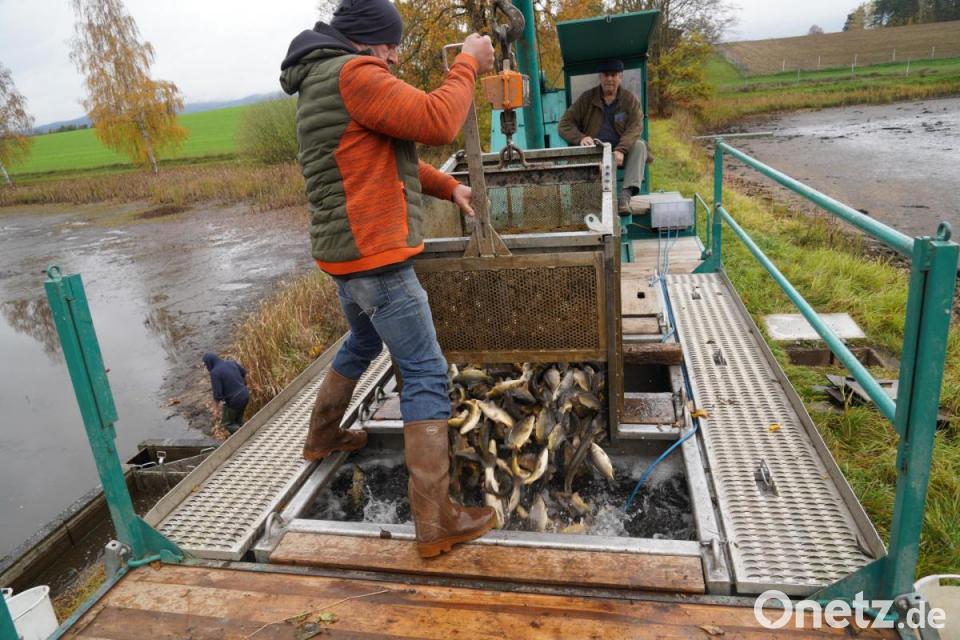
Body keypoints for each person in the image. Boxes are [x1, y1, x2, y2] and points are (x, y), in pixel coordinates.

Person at [280, 0, 497, 558]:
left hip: (344, 257)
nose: (396, 57)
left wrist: (448, 187)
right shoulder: (354, 73)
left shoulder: (321, 78)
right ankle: (436, 519)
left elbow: (384, 157)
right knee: (425, 371)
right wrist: (468, 62)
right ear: (366, 40)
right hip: (377, 259)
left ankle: (322, 435)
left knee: (363, 339)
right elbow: (438, 121)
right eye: (390, 45)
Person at [558, 58, 648, 213]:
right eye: (606, 75)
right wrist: (581, 137)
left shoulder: (630, 100)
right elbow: (564, 124)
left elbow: (636, 127)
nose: (609, 79)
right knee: (576, 157)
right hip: (595, 150)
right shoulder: (587, 98)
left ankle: (625, 197)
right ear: (600, 77)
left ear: (620, 77)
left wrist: (621, 149)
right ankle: (584, 202)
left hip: (621, 153)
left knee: (640, 146)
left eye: (613, 75)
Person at [202, 353, 249, 434]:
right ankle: (245, 434)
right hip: (245, 395)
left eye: (205, 364)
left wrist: (216, 409)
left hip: (235, 400)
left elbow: (217, 394)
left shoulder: (215, 372)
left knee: (227, 423)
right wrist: (244, 385)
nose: (206, 367)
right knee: (237, 420)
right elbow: (244, 373)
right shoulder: (231, 362)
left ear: (209, 362)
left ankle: (246, 433)